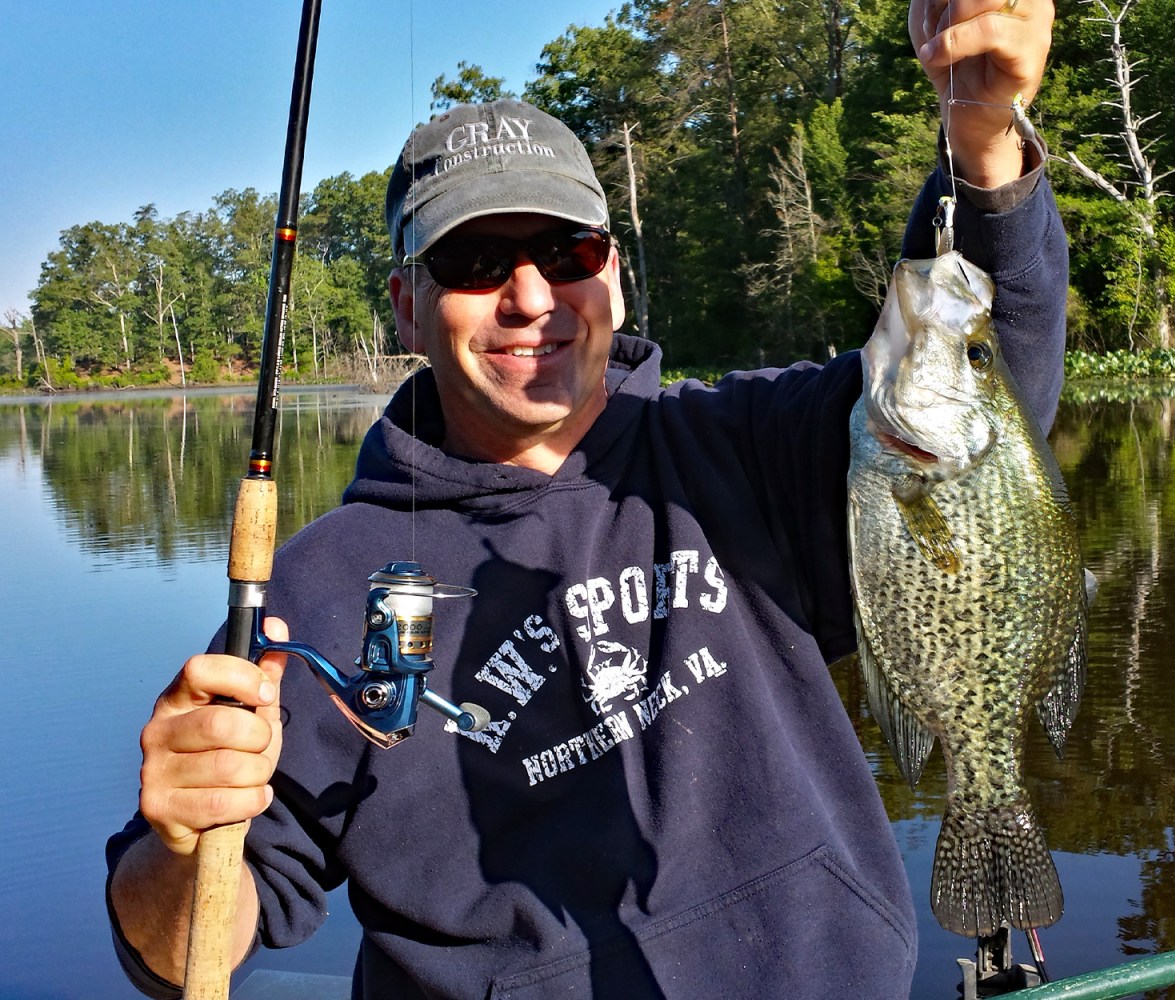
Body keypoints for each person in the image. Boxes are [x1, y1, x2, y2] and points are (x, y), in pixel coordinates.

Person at [107, 2, 1066, 997]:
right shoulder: (321, 589)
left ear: (611, 274)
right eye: (476, 263)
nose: (529, 295)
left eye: (564, 252)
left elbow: (982, 405)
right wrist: (181, 845)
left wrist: (983, 137)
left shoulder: (749, 449)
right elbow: (187, 950)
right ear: (405, 305)